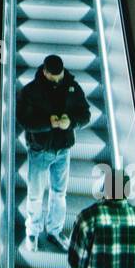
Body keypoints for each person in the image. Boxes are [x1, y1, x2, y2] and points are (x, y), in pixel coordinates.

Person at [16, 54, 91, 251]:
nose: (58, 80)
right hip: (40, 151)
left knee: (59, 194)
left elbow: (86, 114)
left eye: (60, 76)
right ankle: (32, 232)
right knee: (35, 195)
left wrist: (71, 122)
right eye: (53, 77)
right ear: (45, 72)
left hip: (63, 150)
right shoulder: (30, 92)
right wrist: (48, 123)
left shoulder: (72, 87)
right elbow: (24, 121)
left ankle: (54, 231)